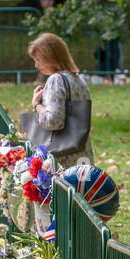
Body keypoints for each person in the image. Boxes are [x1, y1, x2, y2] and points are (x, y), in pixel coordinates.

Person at [27, 32, 93, 168]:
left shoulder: (56, 80)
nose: (36, 65)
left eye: (38, 60)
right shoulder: (79, 79)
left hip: (62, 160)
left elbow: (53, 121)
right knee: (81, 189)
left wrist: (36, 105)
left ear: (50, 58)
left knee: (63, 190)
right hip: (82, 154)